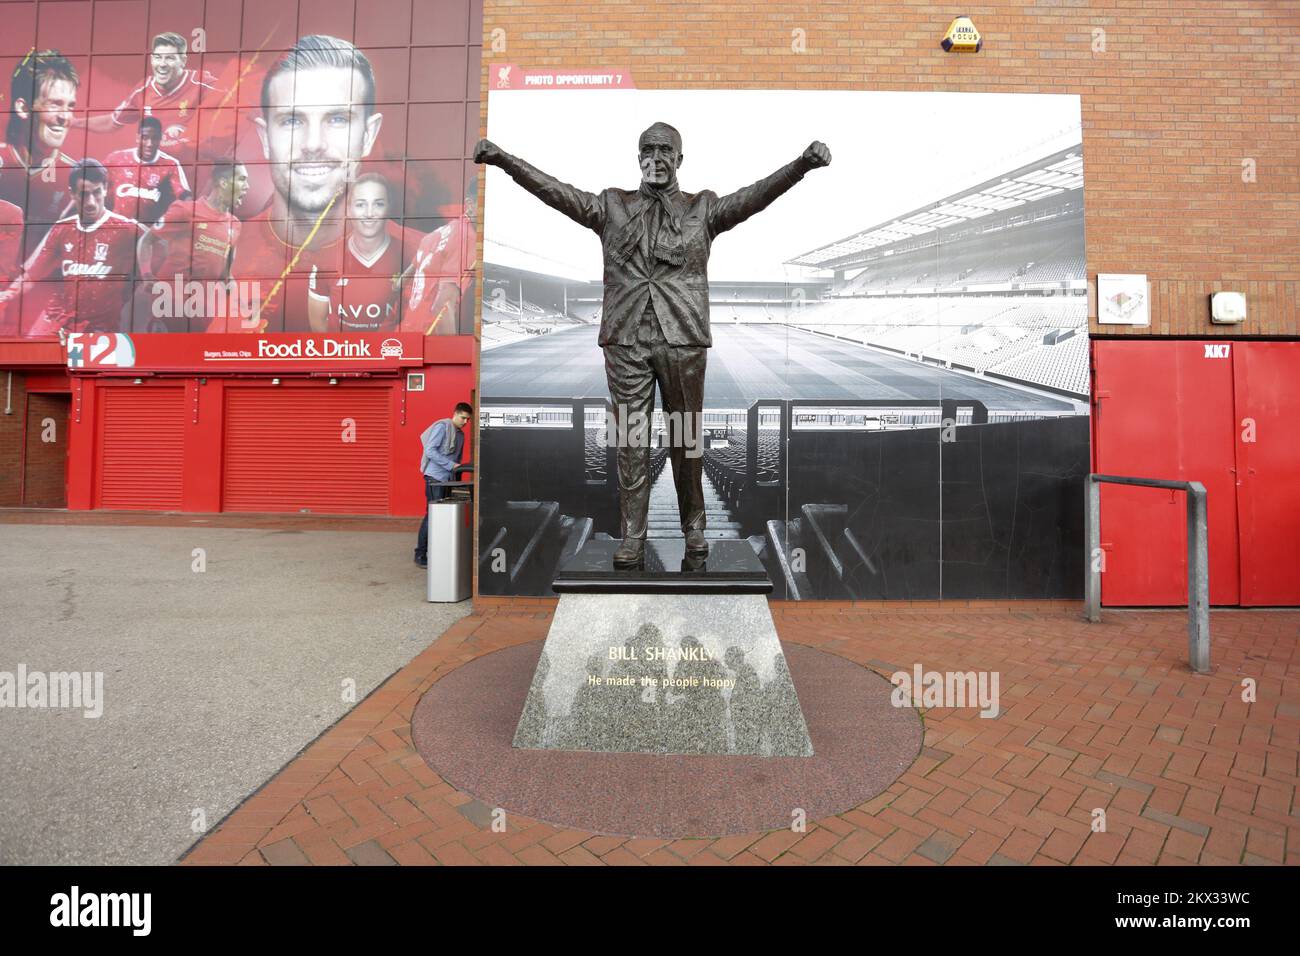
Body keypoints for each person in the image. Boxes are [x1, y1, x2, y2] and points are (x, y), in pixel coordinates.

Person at [473, 124, 830, 566]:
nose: (656, 157)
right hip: (626, 340)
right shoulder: (612, 205)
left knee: (687, 439)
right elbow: (555, 192)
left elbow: (754, 196)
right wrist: (505, 160)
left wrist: (801, 166)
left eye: (665, 150)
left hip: (682, 337)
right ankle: (633, 537)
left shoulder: (704, 208)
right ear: (637, 157)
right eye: (648, 150)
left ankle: (694, 528)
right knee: (631, 443)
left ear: (680, 160)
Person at [230, 34, 387, 332]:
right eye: (292, 121)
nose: (313, 144)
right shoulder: (225, 251)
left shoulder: (415, 255)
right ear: (265, 138)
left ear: (368, 135)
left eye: (338, 119)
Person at [0, 159, 145, 337]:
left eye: (97, 192)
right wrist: (7, 295)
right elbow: (32, 275)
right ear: (73, 194)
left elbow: (155, 263)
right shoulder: (62, 229)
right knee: (31, 356)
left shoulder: (128, 230)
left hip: (101, 327)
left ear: (106, 189)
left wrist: (129, 299)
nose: (91, 202)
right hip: (56, 320)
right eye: (84, 194)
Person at [81, 32, 226, 164]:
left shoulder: (201, 82)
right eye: (158, 58)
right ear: (151, 60)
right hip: (155, 176)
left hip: (195, 176)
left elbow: (235, 104)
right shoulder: (143, 90)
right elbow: (111, 122)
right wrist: (74, 122)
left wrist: (188, 129)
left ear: (183, 60)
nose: (162, 64)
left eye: (169, 58)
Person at [0, 50, 81, 250]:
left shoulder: (78, 179)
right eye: (55, 104)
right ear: (23, 108)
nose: (65, 117)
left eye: (70, 107)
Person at [415, 402, 472, 569]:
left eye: (468, 420)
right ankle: (420, 554)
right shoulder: (442, 426)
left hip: (447, 479)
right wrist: (450, 465)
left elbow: (457, 459)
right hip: (435, 477)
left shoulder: (460, 435)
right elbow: (430, 450)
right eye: (463, 418)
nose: (465, 422)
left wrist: (455, 471)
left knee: (442, 516)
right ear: (455, 413)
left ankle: (436, 552)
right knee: (432, 515)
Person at [104, 116, 192, 225]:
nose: (149, 144)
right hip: (117, 228)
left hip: (148, 232)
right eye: (145, 138)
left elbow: (184, 196)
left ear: (160, 138)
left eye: (154, 138)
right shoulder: (116, 159)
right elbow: (97, 187)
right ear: (137, 138)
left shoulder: (170, 165)